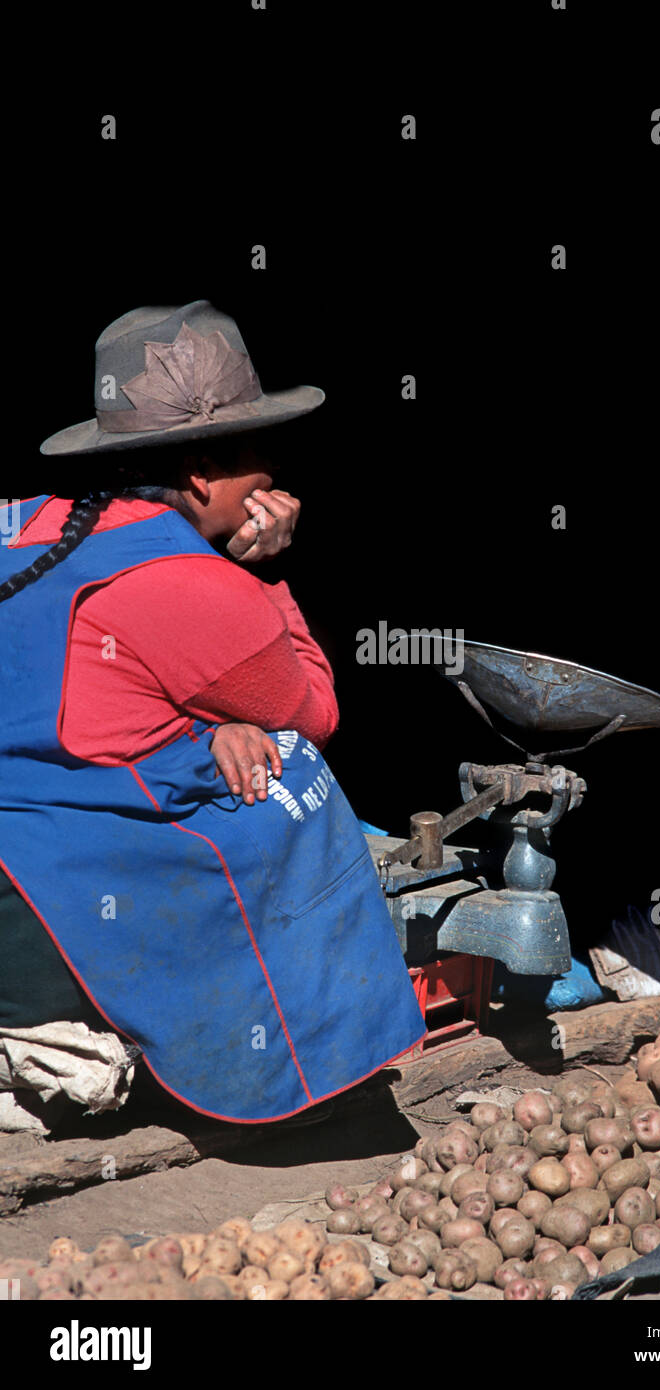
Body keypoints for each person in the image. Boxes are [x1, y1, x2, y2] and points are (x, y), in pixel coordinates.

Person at [0, 300, 426, 1124]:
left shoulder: (24, 525)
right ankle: (294, 1068)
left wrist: (208, 722)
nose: (274, 477)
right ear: (202, 473)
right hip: (46, 927)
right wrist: (266, 574)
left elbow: (94, 697)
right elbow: (313, 711)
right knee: (289, 769)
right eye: (260, 457)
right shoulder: (191, 581)